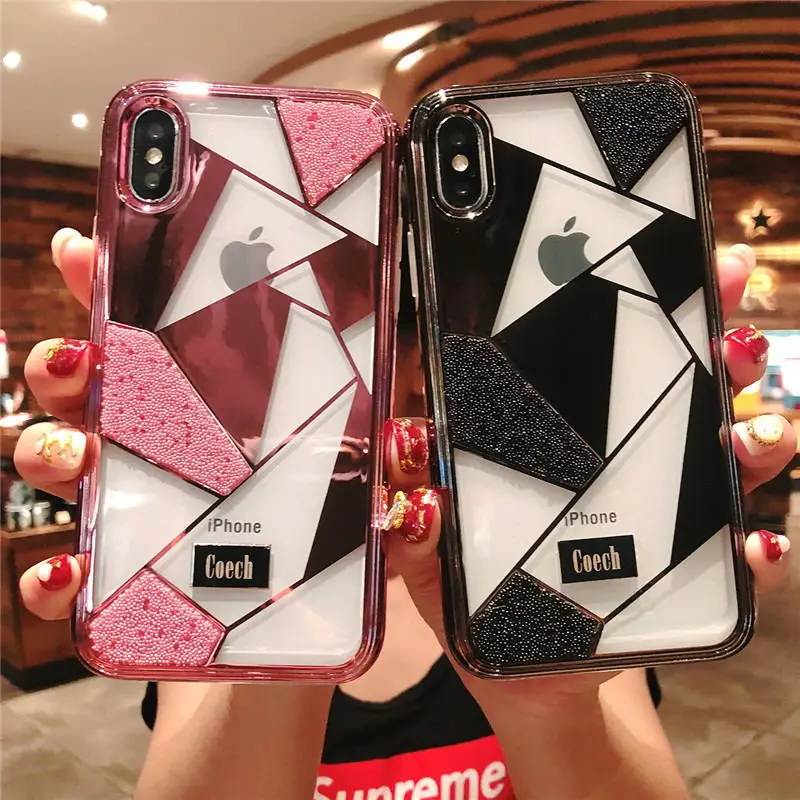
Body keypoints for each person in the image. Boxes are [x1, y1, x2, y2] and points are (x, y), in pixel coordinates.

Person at [14, 228, 795, 800]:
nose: (284, 385)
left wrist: (549, 711)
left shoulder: (530, 548)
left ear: (421, 362)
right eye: (236, 344)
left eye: (329, 331)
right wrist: (284, 643)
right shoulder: (211, 578)